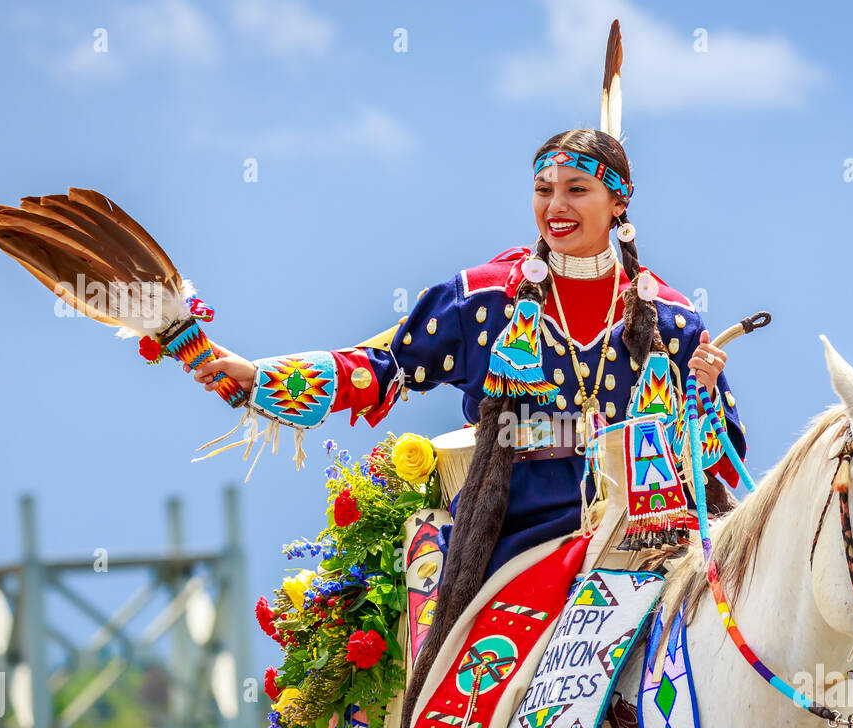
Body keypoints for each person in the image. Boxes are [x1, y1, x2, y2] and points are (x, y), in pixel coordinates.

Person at [189, 128, 749, 666]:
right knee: (468, 696)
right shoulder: (485, 300)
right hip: (517, 527)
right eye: (543, 190)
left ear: (618, 203)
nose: (557, 204)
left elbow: (718, 459)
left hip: (648, 530)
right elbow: (384, 369)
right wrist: (260, 376)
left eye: (577, 190)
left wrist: (701, 392)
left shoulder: (670, 316)